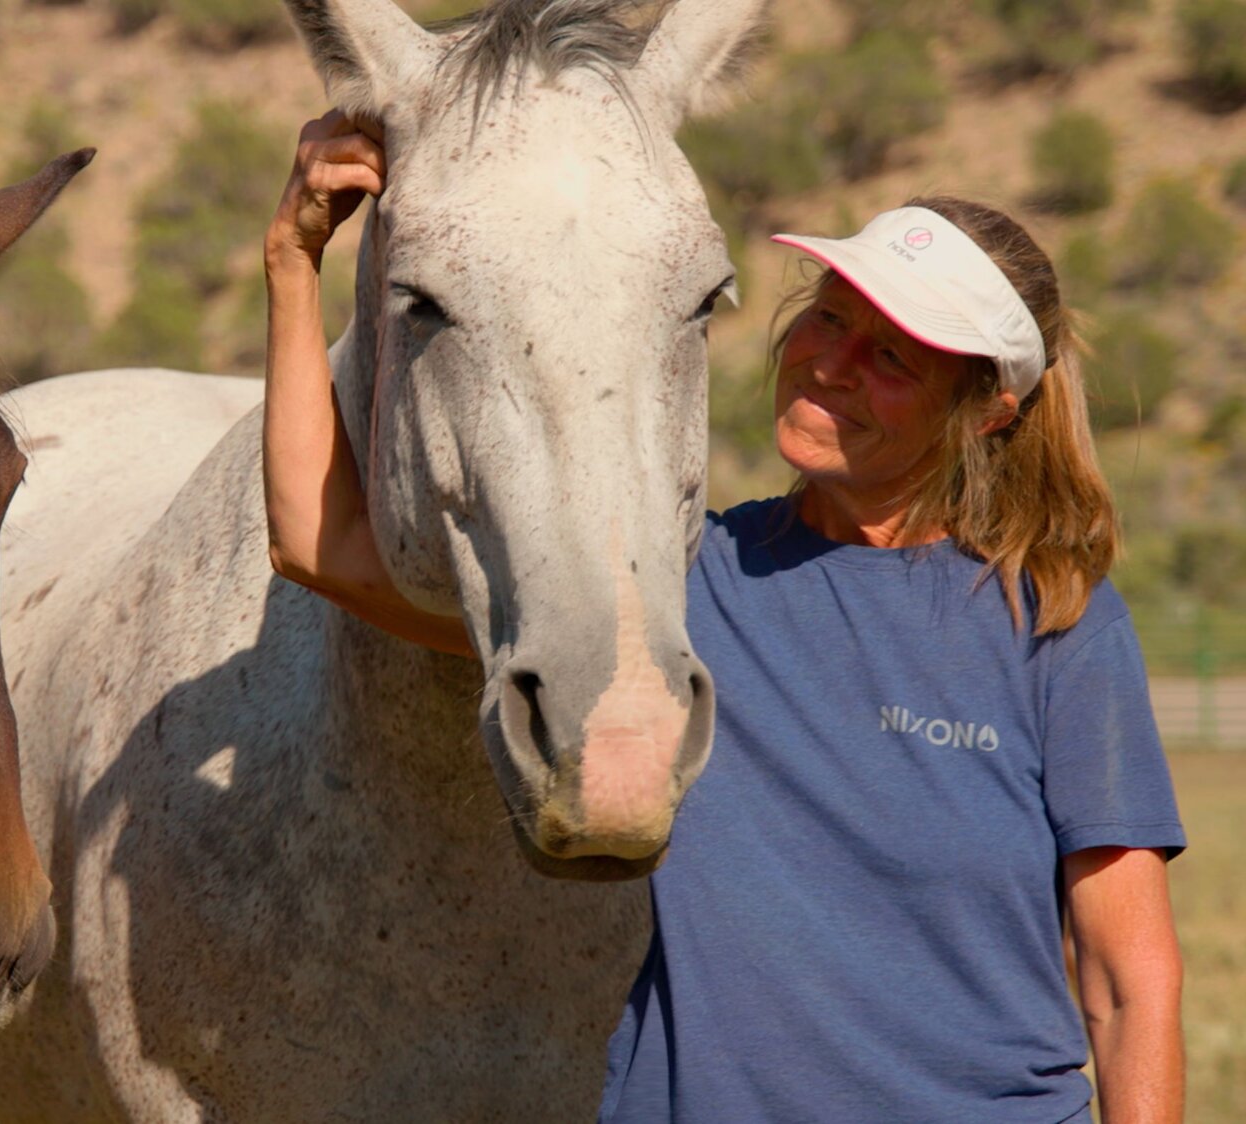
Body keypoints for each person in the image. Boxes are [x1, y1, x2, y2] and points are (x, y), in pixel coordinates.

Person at [262, 111, 1186, 1122]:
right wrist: (292, 264)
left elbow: (1124, 985)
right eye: (829, 317)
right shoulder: (691, 582)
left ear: (985, 409)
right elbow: (317, 546)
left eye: (892, 355)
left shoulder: (1051, 621)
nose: (831, 362)